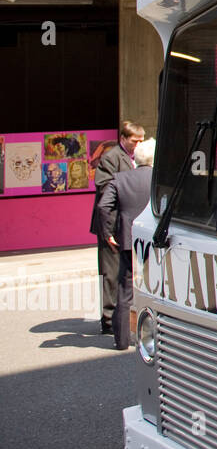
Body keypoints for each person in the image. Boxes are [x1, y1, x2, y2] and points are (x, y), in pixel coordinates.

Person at [96, 139, 154, 350]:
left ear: (135, 159)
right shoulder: (159, 179)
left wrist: (108, 232)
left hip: (129, 241)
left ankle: (120, 341)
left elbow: (103, 206)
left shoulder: (120, 179)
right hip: (156, 243)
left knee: (125, 290)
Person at [89, 121, 144, 334]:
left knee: (128, 274)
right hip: (110, 223)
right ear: (123, 139)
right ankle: (109, 320)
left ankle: (126, 316)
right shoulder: (110, 157)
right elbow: (103, 189)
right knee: (110, 273)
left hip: (128, 223)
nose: (137, 145)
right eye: (134, 141)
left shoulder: (138, 158)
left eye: (140, 141)